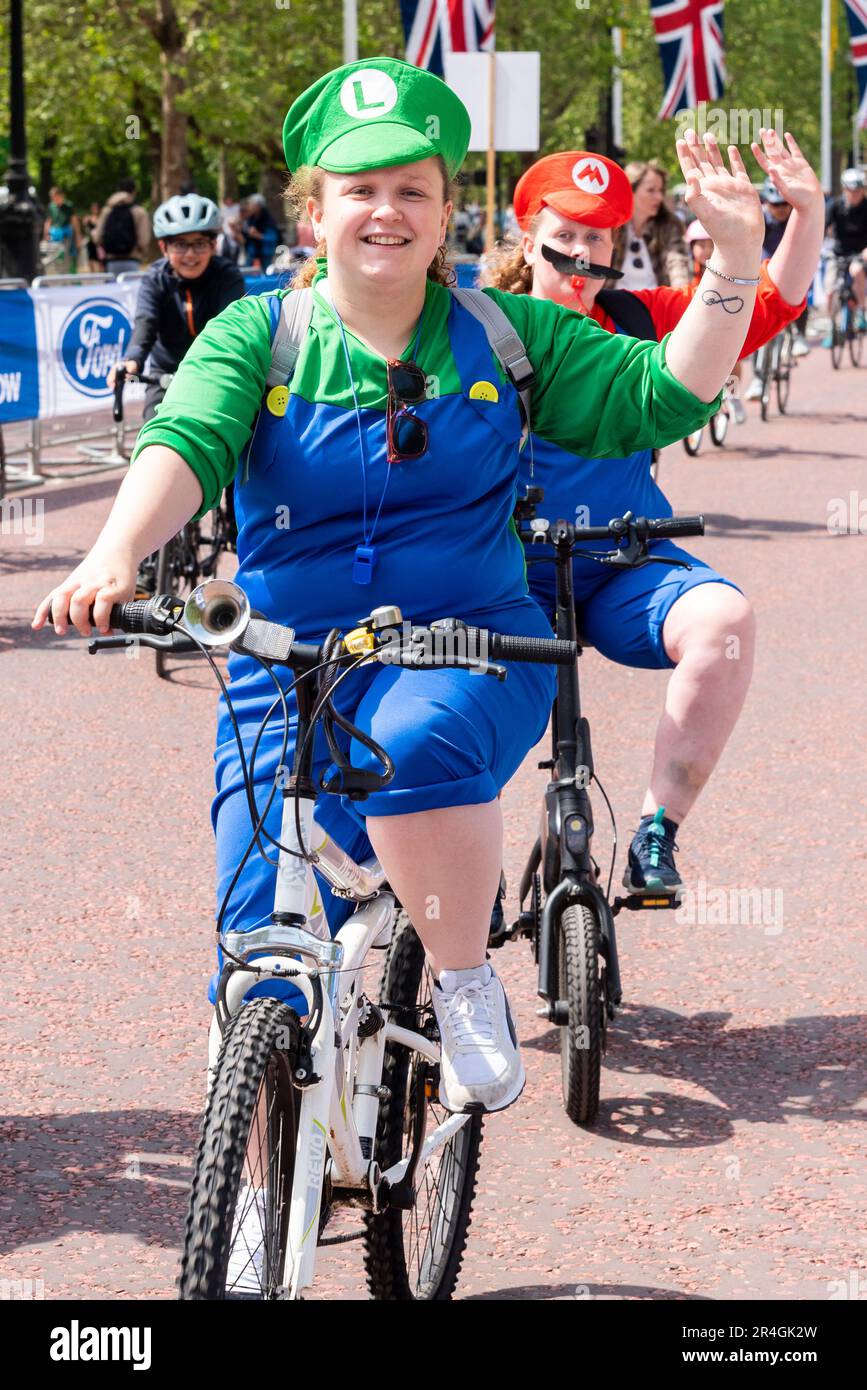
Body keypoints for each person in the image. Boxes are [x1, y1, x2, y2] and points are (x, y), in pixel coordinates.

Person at [35, 58, 765, 1124]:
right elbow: (185, 437)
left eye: (414, 189)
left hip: (472, 647)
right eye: (360, 188)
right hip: (286, 665)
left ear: (445, 213)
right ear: (314, 210)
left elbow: (665, 394)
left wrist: (735, 257)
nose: (388, 211)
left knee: (416, 749)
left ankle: (464, 978)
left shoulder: (513, 335)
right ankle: (259, 1197)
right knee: (259, 956)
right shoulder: (258, 335)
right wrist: (113, 554)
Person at [482, 129, 824, 897]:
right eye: (562, 237)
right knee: (464, 702)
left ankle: (654, 833)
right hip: (502, 574)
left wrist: (803, 214)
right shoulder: (478, 327)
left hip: (618, 561)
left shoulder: (638, 317)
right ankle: (439, 863)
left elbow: (764, 308)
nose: (579, 259)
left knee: (724, 623)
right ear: (528, 240)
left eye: (596, 240)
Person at [106, 193, 246, 422]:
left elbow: (229, 329)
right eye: (180, 244)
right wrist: (132, 360)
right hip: (165, 373)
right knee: (154, 436)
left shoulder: (228, 276)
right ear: (164, 247)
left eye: (199, 244)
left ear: (213, 246)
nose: (190, 254)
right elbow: (145, 322)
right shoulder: (155, 278)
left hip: (214, 368)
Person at [686, 217, 748, 422]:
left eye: (709, 245)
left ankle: (734, 396)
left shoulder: (726, 269)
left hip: (723, 323)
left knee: (733, 358)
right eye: (700, 245)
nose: (705, 250)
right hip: (696, 326)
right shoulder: (686, 272)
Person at [610, 158, 690, 290]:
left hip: (655, 305)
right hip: (611, 304)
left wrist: (681, 292)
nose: (659, 197)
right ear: (630, 190)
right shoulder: (610, 225)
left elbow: (677, 262)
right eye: (651, 190)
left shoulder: (669, 225)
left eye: (661, 190)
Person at [824, 166, 867, 329]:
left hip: (860, 253)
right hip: (838, 252)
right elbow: (822, 227)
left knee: (857, 272)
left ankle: (862, 311)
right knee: (829, 288)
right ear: (844, 189)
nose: (855, 194)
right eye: (851, 190)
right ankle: (831, 327)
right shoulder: (835, 206)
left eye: (858, 190)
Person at [94, 177, 151, 274]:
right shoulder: (139, 212)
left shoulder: (106, 211)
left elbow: (97, 238)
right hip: (132, 260)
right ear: (134, 192)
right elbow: (143, 241)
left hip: (110, 263)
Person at [42, 186, 80, 274]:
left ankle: (70, 276)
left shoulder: (69, 206)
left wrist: (78, 236)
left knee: (68, 256)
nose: (54, 199)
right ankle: (59, 276)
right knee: (55, 257)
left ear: (61, 196)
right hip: (55, 235)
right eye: (52, 197)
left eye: (55, 197)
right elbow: (48, 221)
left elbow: (74, 221)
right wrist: (45, 234)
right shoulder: (51, 206)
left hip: (66, 234)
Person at [242, 192, 280, 270]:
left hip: (265, 253)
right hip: (252, 253)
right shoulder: (251, 219)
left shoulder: (268, 220)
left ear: (258, 206)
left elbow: (273, 238)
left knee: (266, 274)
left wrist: (258, 235)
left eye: (251, 204)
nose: (249, 206)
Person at [81, 201, 103, 272]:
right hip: (91, 242)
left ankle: (101, 275)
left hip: (99, 243)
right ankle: (92, 275)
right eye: (93, 208)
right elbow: (84, 228)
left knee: (101, 260)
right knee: (90, 260)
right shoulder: (89, 218)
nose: (94, 210)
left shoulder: (102, 218)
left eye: (96, 208)